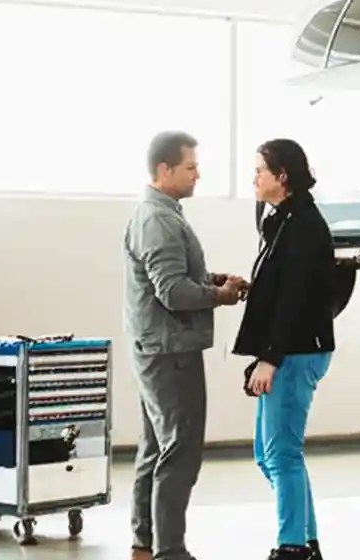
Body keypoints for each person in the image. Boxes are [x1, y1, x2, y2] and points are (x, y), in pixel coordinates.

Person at [123, 130, 248, 560]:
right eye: (191, 167)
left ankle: (144, 543)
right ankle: (170, 551)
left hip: (155, 348)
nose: (198, 174)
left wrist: (213, 281)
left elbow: (172, 278)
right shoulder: (159, 220)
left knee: (155, 448)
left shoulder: (159, 214)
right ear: (165, 170)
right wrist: (219, 296)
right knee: (180, 451)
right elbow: (172, 292)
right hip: (171, 353)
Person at [233, 138, 337, 560]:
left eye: (260, 170)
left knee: (281, 454)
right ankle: (305, 542)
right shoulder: (284, 219)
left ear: (283, 177)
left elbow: (294, 300)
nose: (253, 177)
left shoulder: (303, 226)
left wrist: (271, 358)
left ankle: (292, 546)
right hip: (288, 349)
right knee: (270, 454)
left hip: (295, 352)